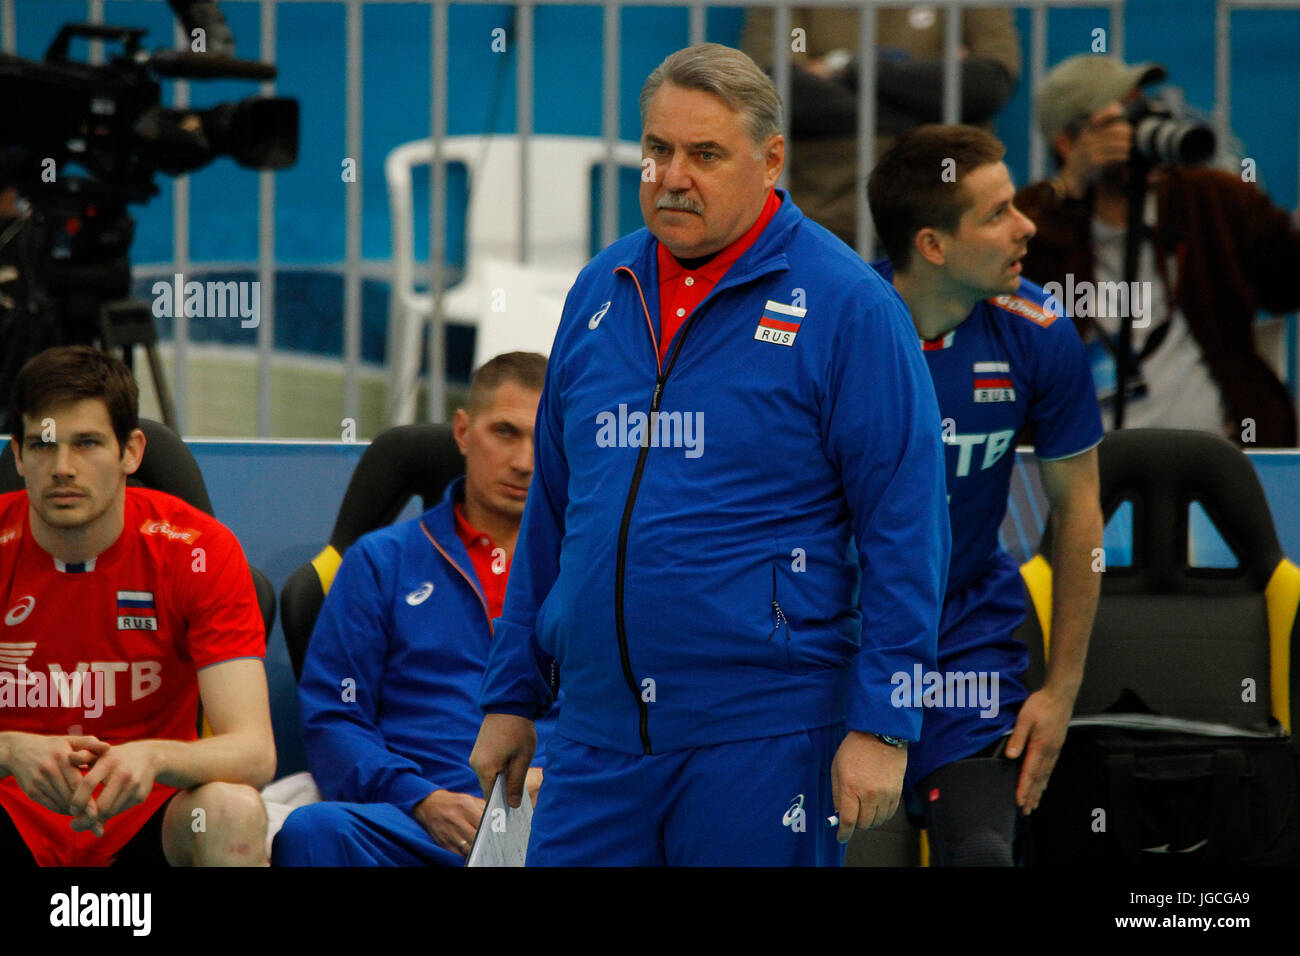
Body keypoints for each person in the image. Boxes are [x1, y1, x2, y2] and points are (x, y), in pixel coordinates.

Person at [469, 43, 949, 867]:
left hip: (762, 737)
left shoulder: (848, 307)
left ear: (769, 161)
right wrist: (512, 693)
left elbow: (906, 529)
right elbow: (553, 513)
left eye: (705, 155)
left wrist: (883, 723)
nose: (672, 176)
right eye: (657, 151)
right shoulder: (600, 288)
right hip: (593, 740)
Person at [867, 124, 1104, 865]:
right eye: (997, 212)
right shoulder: (839, 332)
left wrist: (1061, 691)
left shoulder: (1037, 332)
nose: (1027, 223)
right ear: (933, 246)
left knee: (981, 853)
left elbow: (1080, 513)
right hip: (837, 635)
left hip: (963, 637)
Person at [274, 352, 556, 866]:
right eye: (506, 433)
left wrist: (562, 780)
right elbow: (334, 719)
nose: (525, 461)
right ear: (464, 431)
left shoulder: (588, 570)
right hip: (419, 822)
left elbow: (626, 716)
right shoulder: (381, 562)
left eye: (542, 440)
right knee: (316, 831)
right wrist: (421, 799)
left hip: (557, 820)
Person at [0, 345, 275, 866]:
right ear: (17, 455)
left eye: (87, 444)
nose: (62, 468)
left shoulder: (198, 550)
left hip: (149, 818)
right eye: (43, 445)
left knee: (232, 808)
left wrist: (154, 756)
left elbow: (255, 753)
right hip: (15, 812)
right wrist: (10, 750)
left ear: (131, 451)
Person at [1016, 54, 1300, 447]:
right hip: (1084, 467)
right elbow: (1010, 298)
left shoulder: (1212, 198)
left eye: (1145, 108)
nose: (1142, 127)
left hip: (1217, 461)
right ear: (1068, 142)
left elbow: (1288, 283)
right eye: (1121, 117)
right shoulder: (1036, 219)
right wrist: (1072, 187)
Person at [741, 6, 1020, 245]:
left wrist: (852, 67)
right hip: (827, 214)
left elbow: (989, 84)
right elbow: (782, 92)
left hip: (948, 213)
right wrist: (931, 104)